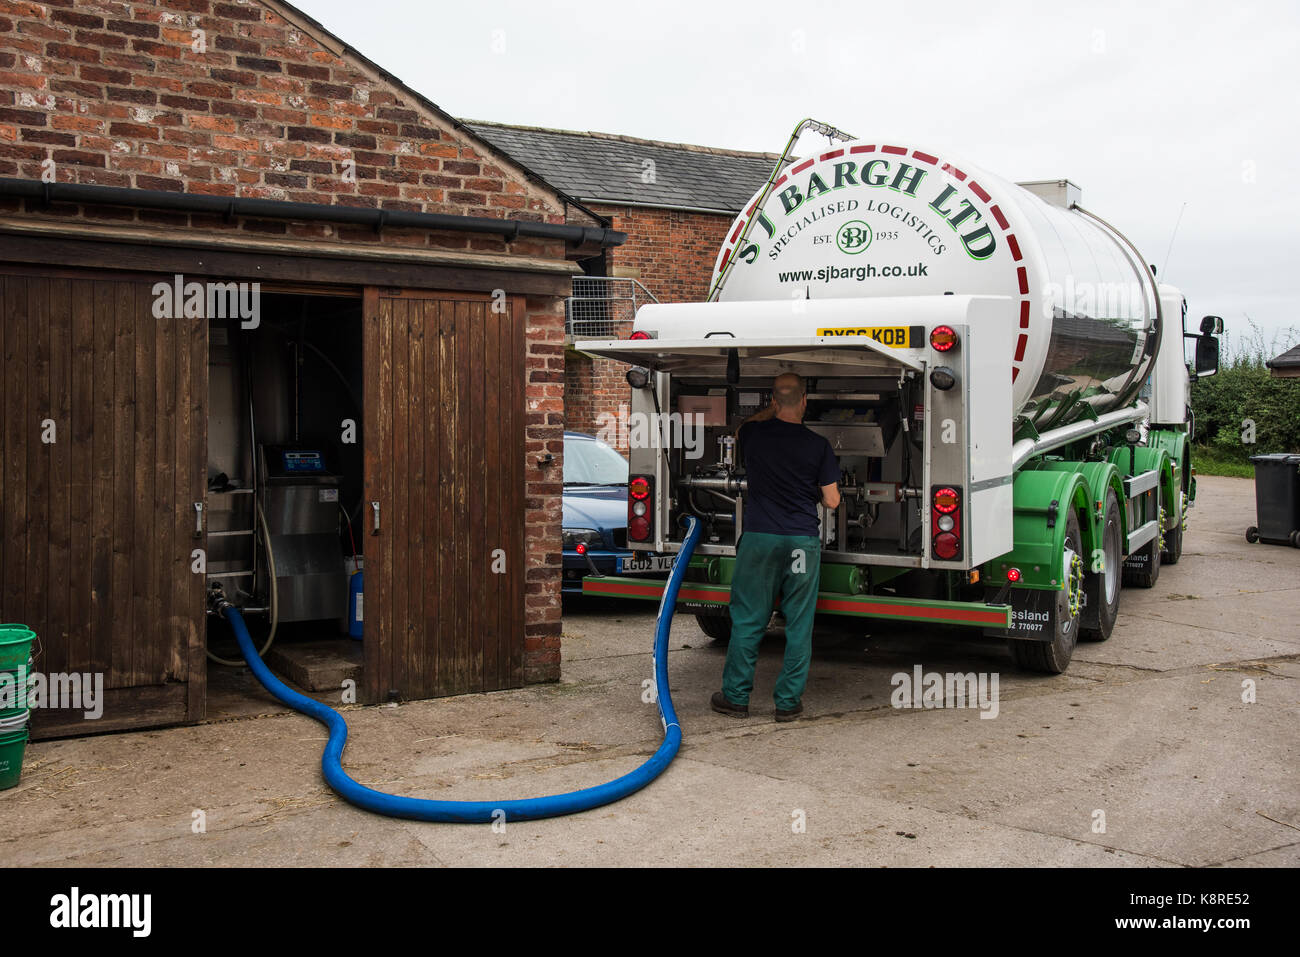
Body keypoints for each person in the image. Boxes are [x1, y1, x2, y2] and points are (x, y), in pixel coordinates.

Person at [711, 373, 840, 722]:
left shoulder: (754, 435)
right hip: (801, 541)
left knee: (749, 619)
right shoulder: (819, 446)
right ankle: (787, 703)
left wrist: (769, 410)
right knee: (799, 623)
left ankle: (736, 697)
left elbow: (742, 428)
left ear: (772, 401)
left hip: (760, 539)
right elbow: (832, 501)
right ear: (804, 402)